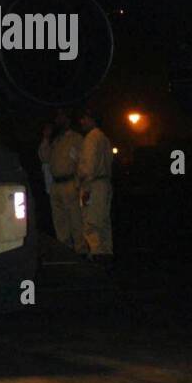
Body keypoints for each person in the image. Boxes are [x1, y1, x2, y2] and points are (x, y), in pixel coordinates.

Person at [38, 108, 85, 252]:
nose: (57, 120)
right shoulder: (56, 140)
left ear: (68, 120)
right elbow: (44, 158)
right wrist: (46, 138)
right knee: (60, 220)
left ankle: (81, 250)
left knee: (75, 219)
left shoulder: (76, 139)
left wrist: (79, 184)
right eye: (57, 117)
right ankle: (65, 249)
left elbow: (81, 161)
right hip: (56, 184)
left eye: (61, 117)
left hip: (70, 182)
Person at [77, 106, 114, 265]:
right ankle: (106, 252)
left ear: (92, 119)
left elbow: (89, 166)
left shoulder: (92, 138)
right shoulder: (104, 138)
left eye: (85, 118)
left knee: (92, 222)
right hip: (104, 182)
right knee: (103, 220)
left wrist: (85, 186)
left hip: (93, 184)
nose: (82, 121)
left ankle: (97, 254)